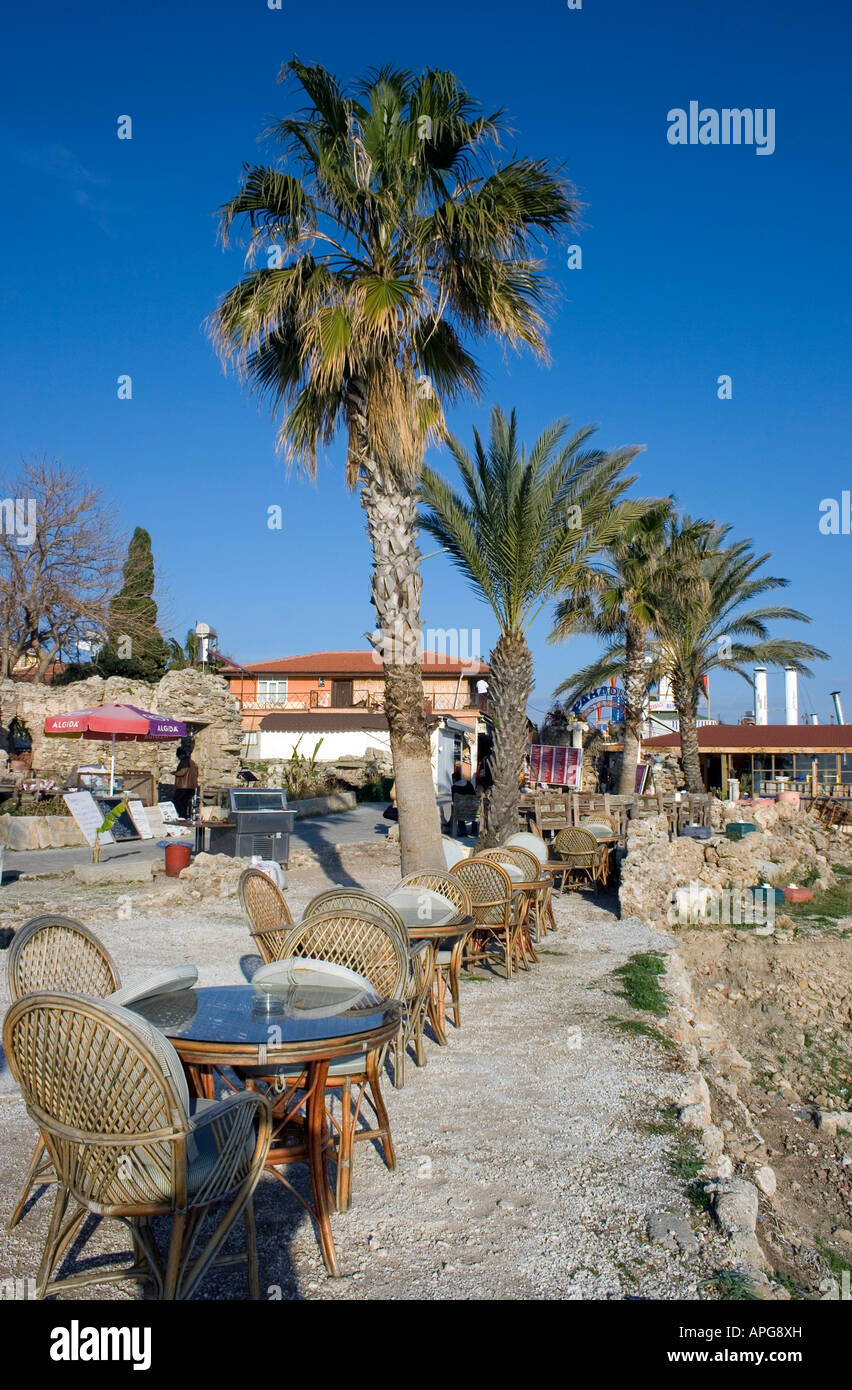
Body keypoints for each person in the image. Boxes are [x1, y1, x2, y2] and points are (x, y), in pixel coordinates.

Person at [174, 748, 199, 821]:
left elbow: (183, 772)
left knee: (178, 800)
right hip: (191, 786)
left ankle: (182, 816)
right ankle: (186, 816)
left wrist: (174, 773)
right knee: (185, 802)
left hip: (183, 786)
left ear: (180, 755)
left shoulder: (184, 762)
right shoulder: (193, 762)